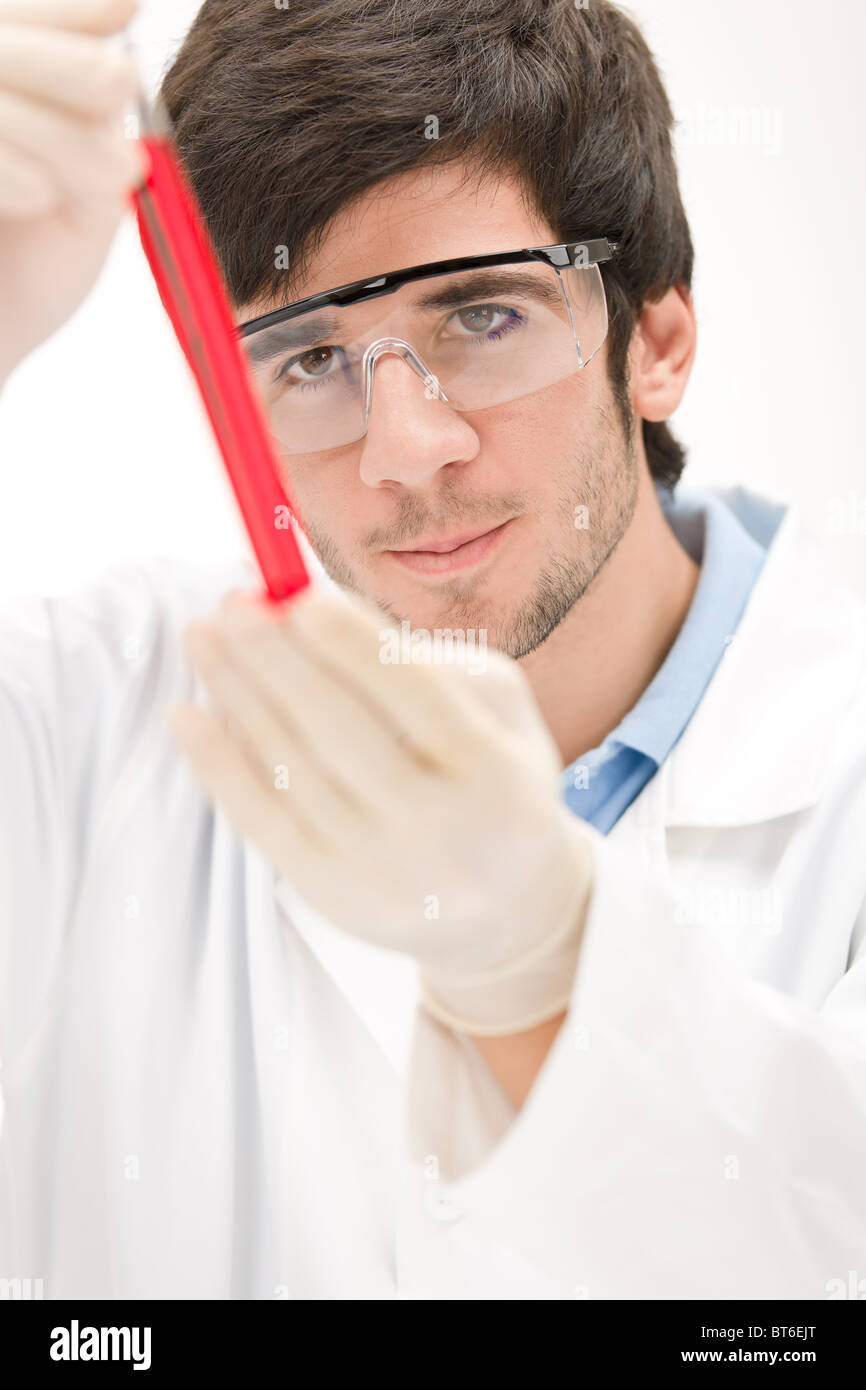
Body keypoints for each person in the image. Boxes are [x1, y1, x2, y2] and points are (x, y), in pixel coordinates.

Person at [1, 0, 865, 1302]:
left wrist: (542, 967)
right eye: (306, 359)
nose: (405, 447)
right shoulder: (99, 712)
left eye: (482, 317)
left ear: (659, 340)